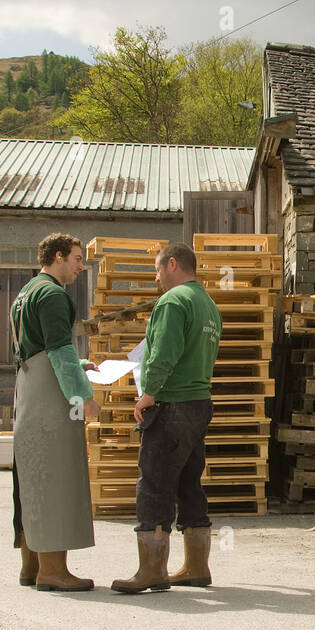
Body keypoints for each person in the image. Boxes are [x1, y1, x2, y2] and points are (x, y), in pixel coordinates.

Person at [112, 242, 222, 593]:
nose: (157, 278)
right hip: (199, 403)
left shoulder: (173, 302)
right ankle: (195, 566)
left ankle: (152, 570)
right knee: (190, 483)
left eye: (158, 270)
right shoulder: (207, 304)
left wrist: (148, 394)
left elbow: (162, 353)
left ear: (173, 264)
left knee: (155, 484)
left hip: (172, 404)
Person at [11, 233, 100, 591]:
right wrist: (82, 396)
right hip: (50, 401)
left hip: (29, 391)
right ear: (59, 257)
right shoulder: (52, 295)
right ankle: (53, 571)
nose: (81, 266)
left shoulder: (27, 292)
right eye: (78, 259)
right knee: (55, 476)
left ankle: (31, 566)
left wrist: (80, 364)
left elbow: (38, 349)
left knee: (31, 478)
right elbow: (59, 351)